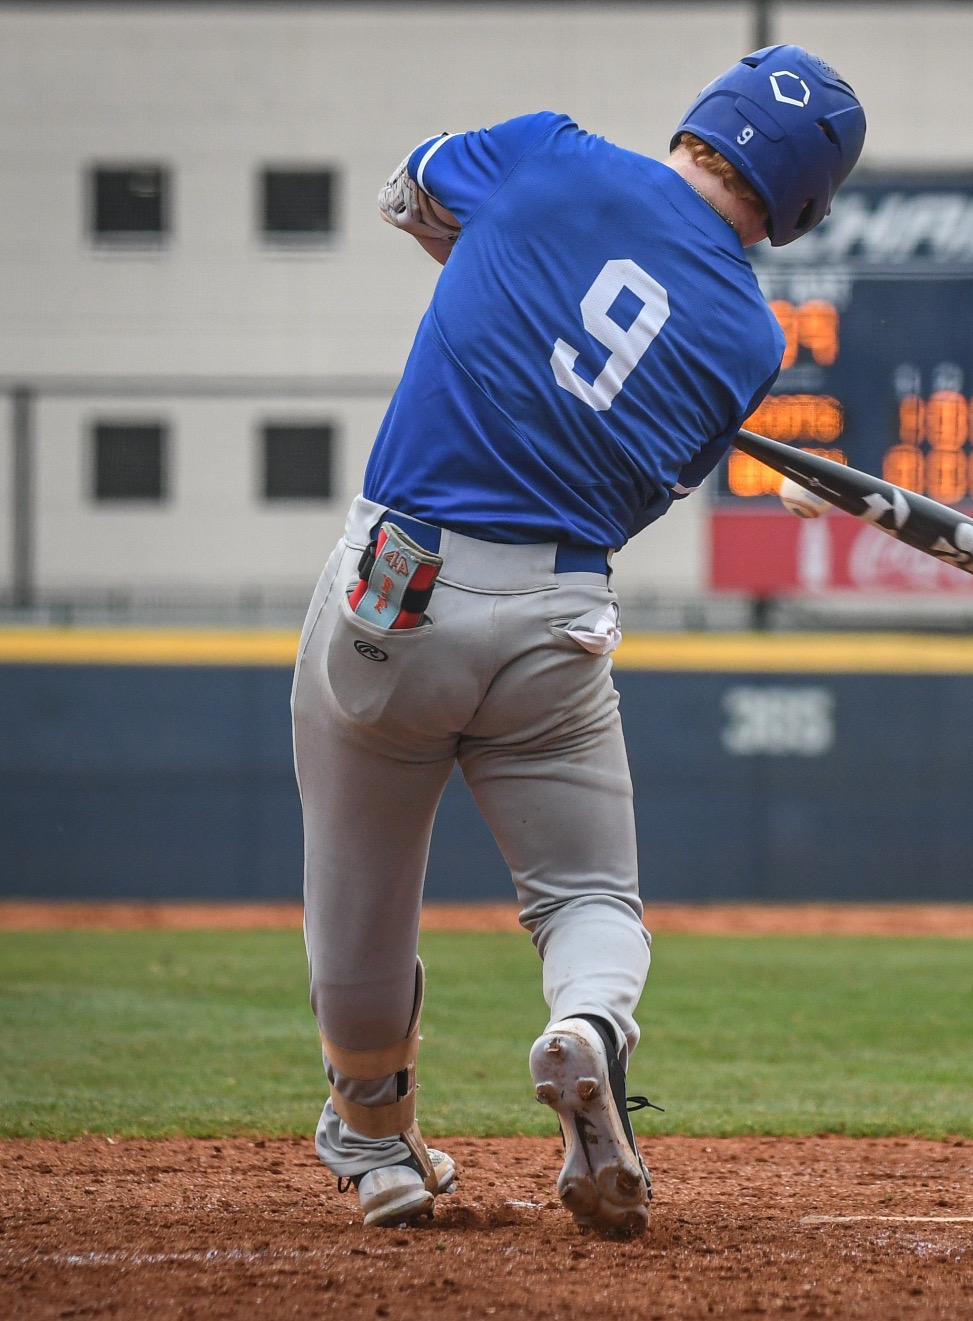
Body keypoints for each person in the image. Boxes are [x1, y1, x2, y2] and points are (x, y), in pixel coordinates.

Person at [290, 47, 864, 1233]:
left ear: (705, 118)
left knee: (361, 886)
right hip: (553, 619)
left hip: (400, 587)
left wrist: (495, 257)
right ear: (802, 206)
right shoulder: (749, 345)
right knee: (591, 895)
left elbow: (409, 193)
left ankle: (374, 1138)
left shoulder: (547, 152)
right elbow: (642, 458)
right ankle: (584, 1025)